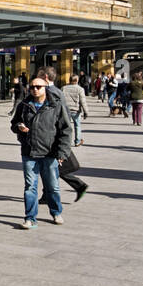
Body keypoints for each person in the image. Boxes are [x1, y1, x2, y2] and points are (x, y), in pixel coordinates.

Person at [12, 74, 72, 229]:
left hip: (49, 152)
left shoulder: (56, 105)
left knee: (52, 186)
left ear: (46, 88)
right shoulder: (24, 105)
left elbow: (65, 130)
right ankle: (30, 218)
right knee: (30, 187)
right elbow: (14, 123)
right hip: (29, 152)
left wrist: (62, 153)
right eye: (32, 87)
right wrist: (19, 126)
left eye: (38, 87)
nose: (35, 90)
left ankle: (56, 211)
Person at [37, 67, 88, 202]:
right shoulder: (57, 91)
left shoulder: (51, 92)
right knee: (49, 168)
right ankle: (48, 194)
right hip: (51, 136)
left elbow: (60, 119)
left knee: (51, 168)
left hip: (52, 137)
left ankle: (77, 186)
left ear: (46, 78)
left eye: (39, 77)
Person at [62, 72, 90, 147]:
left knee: (66, 126)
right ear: (77, 80)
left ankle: (66, 142)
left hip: (66, 110)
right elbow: (83, 101)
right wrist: (86, 112)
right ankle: (77, 141)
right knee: (77, 125)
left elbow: (61, 100)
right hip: (76, 110)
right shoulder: (80, 89)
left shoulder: (64, 88)